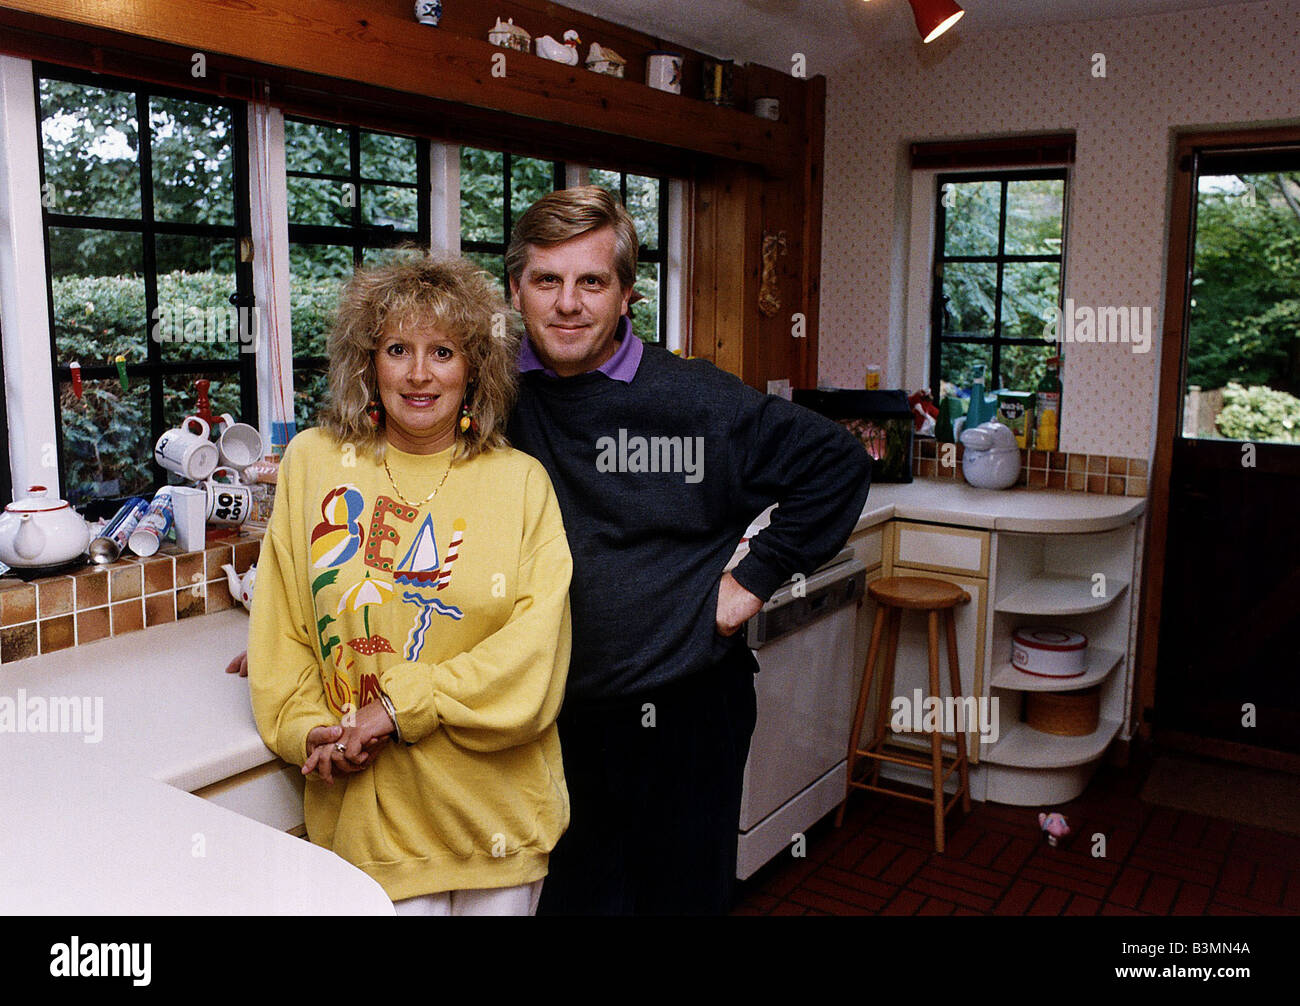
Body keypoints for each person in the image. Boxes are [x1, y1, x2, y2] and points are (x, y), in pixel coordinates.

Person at [504, 186, 871, 914]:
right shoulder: (494, 395)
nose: (568, 303)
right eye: (547, 280)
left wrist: (753, 578)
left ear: (626, 294)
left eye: (592, 281)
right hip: (552, 718)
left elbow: (838, 463)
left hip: (683, 714)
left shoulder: (693, 399)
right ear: (517, 290)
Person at [246, 254, 572, 916]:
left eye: (443, 352)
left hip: (496, 822)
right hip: (370, 826)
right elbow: (285, 628)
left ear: (474, 367)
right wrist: (309, 728)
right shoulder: (313, 464)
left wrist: (396, 709)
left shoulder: (521, 483)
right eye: (398, 349)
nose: (420, 373)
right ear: (368, 364)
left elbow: (535, 658)